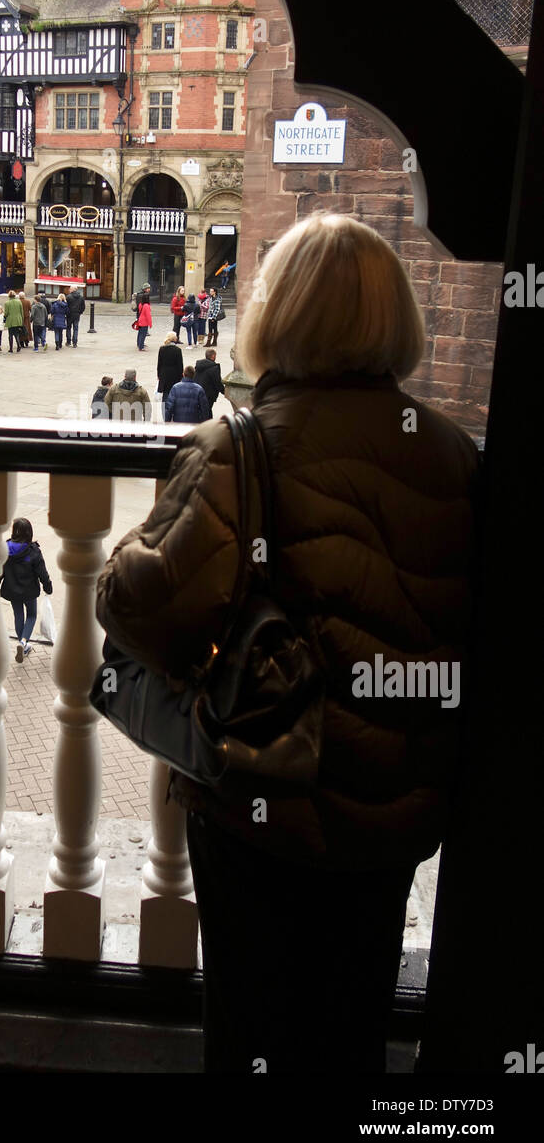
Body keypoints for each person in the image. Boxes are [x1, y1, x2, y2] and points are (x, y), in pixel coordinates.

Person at [96, 213, 480, 1075]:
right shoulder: (456, 456)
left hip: (263, 798)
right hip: (393, 805)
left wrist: (131, 548)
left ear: (279, 316)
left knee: (250, 1021)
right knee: (353, 1021)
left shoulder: (239, 449)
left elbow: (135, 608)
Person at [0, 518, 53, 663]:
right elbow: (42, 572)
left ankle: (22, 644)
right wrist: (47, 586)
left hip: (11, 589)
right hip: (29, 590)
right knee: (31, 615)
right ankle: (23, 643)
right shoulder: (33, 551)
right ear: (29, 532)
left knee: (18, 615)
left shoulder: (5, 548)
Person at [157, 333, 184, 418]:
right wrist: (181, 376)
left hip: (164, 374)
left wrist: (159, 374)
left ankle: (165, 414)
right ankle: (173, 413)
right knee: (175, 394)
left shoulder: (162, 349)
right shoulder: (177, 350)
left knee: (165, 395)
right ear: (174, 339)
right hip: (174, 374)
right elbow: (180, 365)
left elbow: (159, 363)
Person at [194, 348, 225, 412]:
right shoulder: (214, 368)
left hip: (197, 392)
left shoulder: (198, 365)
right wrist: (224, 391)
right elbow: (217, 382)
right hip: (208, 395)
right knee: (207, 412)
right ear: (213, 356)